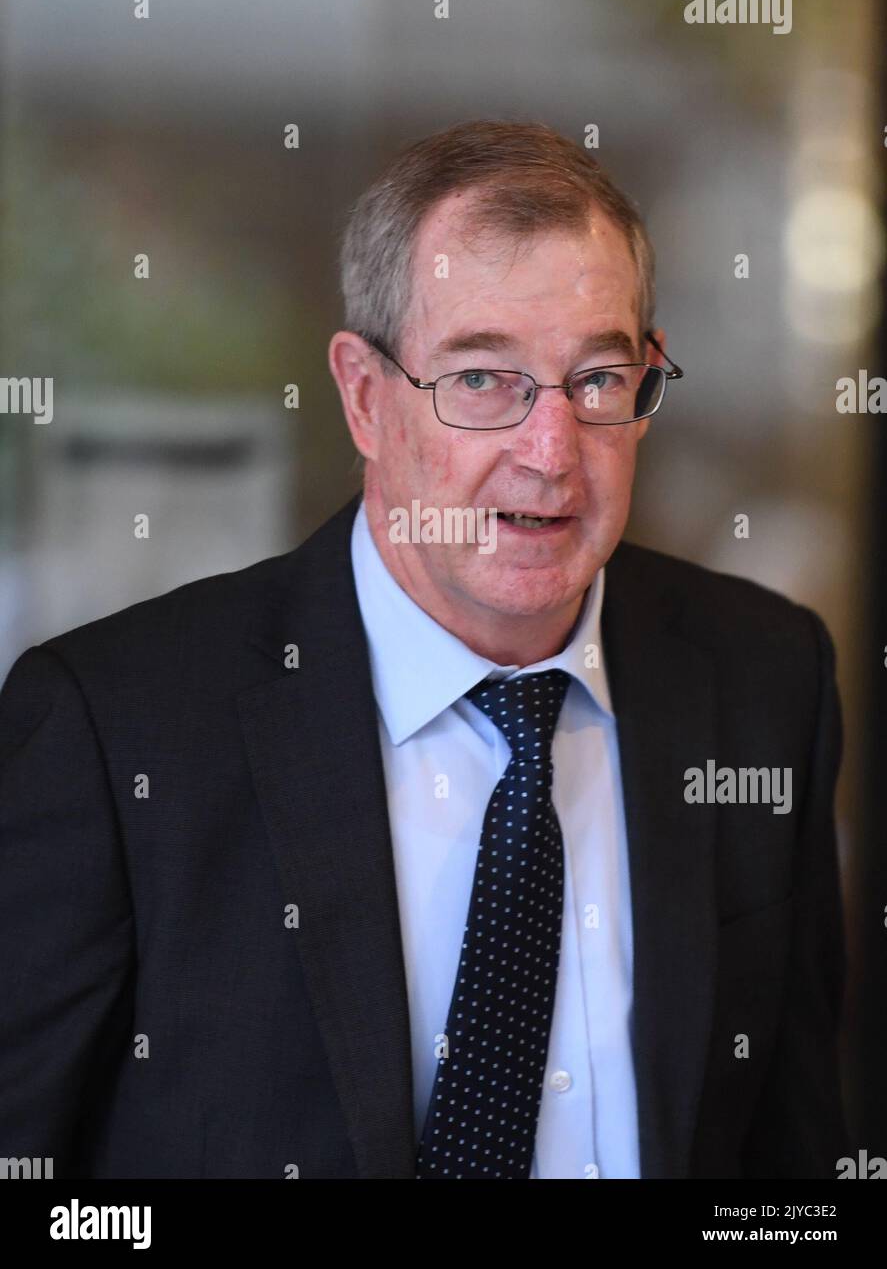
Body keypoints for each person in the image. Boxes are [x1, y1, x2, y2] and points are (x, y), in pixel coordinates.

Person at [0, 120, 847, 1179]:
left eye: (596, 378)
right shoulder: (115, 729)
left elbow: (794, 1151)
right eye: (481, 380)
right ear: (363, 397)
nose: (550, 456)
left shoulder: (764, 679)